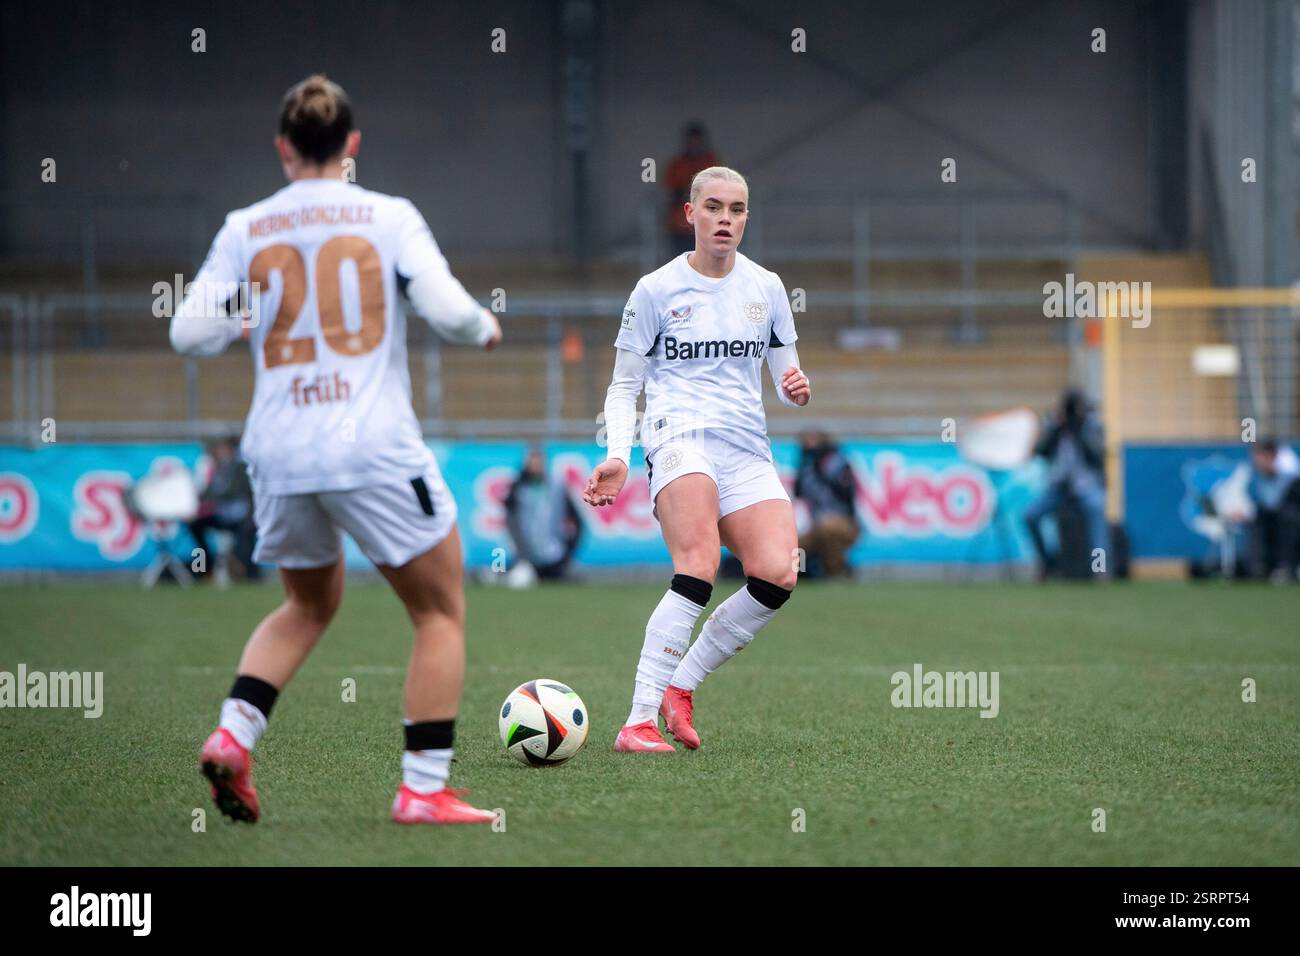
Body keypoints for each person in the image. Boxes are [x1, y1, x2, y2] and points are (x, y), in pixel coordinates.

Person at [169, 75, 503, 825]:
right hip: (372, 447)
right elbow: (447, 309)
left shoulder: (246, 226)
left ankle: (234, 733)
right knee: (440, 610)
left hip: (280, 451)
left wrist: (247, 316)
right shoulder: (388, 216)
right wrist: (483, 327)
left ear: (284, 148)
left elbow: (186, 332)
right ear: (351, 146)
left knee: (306, 604)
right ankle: (422, 789)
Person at [584, 166, 812, 753]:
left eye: (736, 210)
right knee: (699, 561)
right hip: (677, 434)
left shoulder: (766, 287)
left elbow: (783, 376)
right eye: (713, 208)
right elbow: (622, 386)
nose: (725, 220)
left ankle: (679, 687)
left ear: (746, 219)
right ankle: (635, 722)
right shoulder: (655, 289)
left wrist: (793, 386)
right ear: (690, 214)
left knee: (780, 570)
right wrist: (618, 454)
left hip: (745, 444)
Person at [1022, 389, 1107, 579]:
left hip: (1085, 487)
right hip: (1058, 487)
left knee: (1097, 512)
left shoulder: (1091, 425)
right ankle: (1047, 563)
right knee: (1030, 516)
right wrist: (1057, 430)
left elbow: (1097, 458)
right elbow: (1041, 452)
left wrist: (1079, 432)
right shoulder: (1056, 426)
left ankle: (1099, 569)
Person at [503, 448, 583, 581]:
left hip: (554, 556)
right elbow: (510, 520)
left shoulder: (556, 487)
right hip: (527, 557)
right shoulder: (518, 489)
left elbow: (577, 520)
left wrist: (568, 551)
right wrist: (520, 548)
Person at [188, 436, 259, 581]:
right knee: (195, 525)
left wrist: (212, 496)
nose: (221, 453)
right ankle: (203, 566)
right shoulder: (216, 469)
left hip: (240, 518)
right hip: (222, 517)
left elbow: (232, 492)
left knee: (245, 539)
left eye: (224, 450)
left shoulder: (240, 468)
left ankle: (247, 574)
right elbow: (207, 493)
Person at [793, 430, 860, 578]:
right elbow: (798, 493)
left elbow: (847, 494)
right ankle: (800, 573)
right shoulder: (806, 468)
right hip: (815, 524)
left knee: (828, 528)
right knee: (794, 545)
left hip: (843, 522)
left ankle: (837, 571)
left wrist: (821, 471)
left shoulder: (837, 463)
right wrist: (804, 465)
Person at [1242, 439, 1300, 581]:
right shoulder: (1262, 476)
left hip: (1291, 518)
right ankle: (1258, 566)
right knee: (1256, 520)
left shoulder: (1290, 475)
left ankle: (1285, 566)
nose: (1256, 461)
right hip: (1275, 517)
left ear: (1270, 456)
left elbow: (1277, 502)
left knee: (1288, 519)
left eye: (1258, 456)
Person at [663, 122, 720, 257]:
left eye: (697, 141)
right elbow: (668, 190)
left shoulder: (711, 161)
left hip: (707, 224)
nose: (694, 144)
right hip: (680, 224)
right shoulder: (677, 165)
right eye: (691, 141)